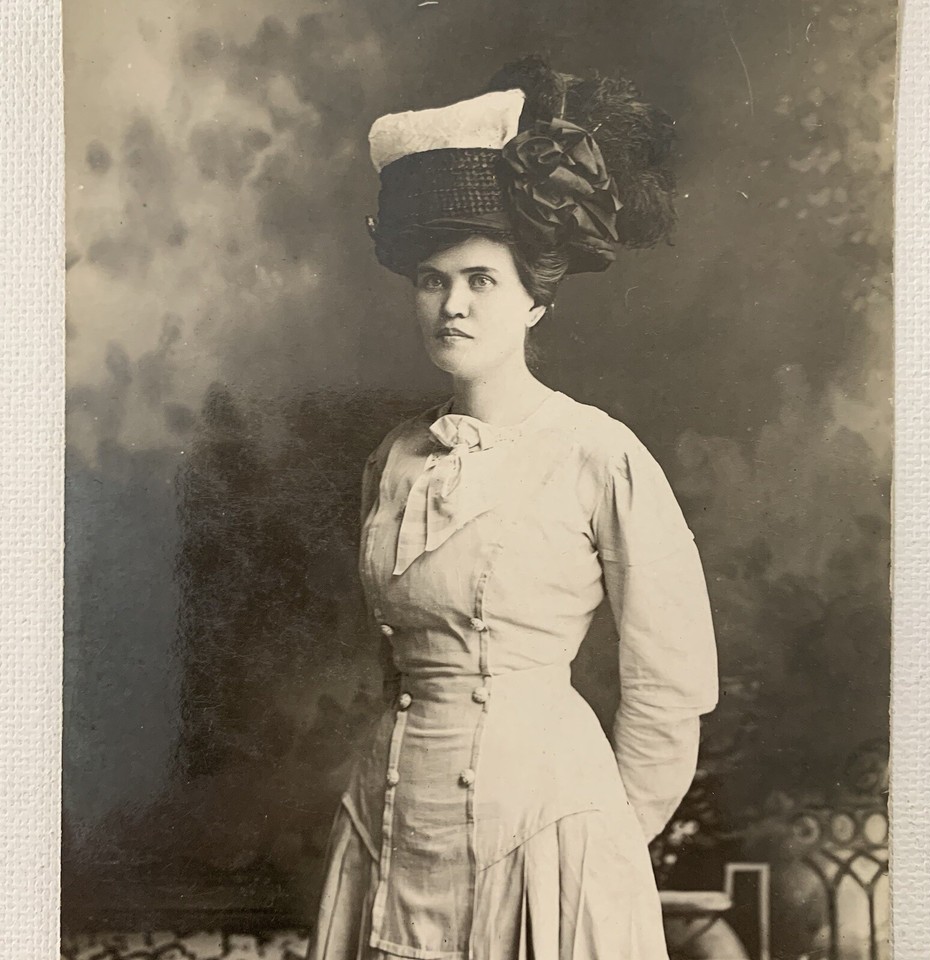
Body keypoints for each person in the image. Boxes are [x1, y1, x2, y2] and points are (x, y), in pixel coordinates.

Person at [305, 56, 719, 960]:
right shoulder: (394, 459)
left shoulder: (597, 453)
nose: (452, 305)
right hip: (391, 819)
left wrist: (597, 839)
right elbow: (396, 659)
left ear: (535, 298)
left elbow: (668, 685)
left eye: (481, 280)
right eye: (432, 280)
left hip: (546, 831)